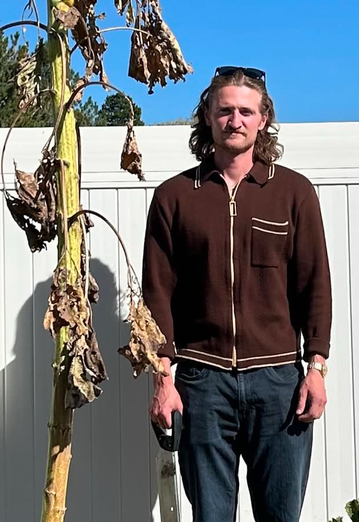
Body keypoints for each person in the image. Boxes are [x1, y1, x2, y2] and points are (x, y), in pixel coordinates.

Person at [142, 66, 332, 522]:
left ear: (263, 118)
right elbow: (157, 295)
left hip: (279, 384)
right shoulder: (174, 197)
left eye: (246, 111)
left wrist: (317, 368)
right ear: (207, 116)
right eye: (224, 110)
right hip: (202, 385)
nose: (235, 120)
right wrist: (163, 380)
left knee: (281, 516)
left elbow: (315, 285)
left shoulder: (293, 193)